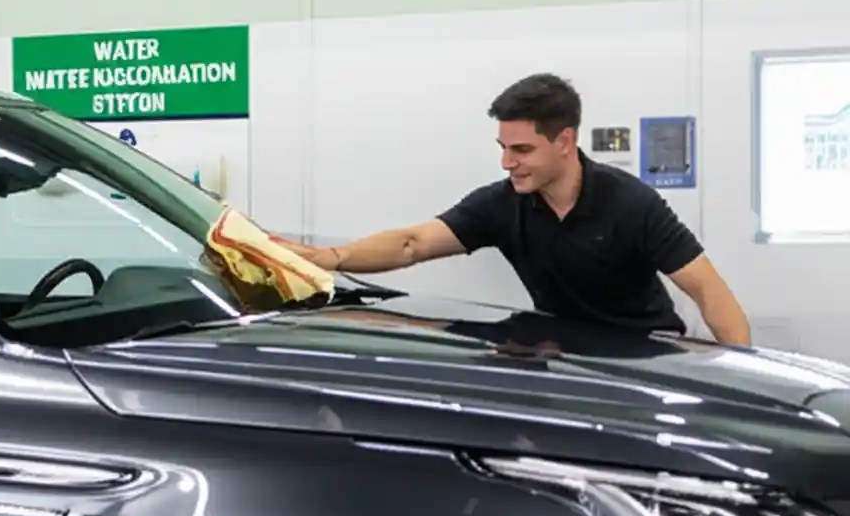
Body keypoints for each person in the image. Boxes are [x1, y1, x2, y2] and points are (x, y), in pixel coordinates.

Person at [277, 73, 751, 345]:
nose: (507, 162)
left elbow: (708, 291)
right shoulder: (503, 204)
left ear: (564, 141)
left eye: (520, 149)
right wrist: (330, 259)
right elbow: (412, 244)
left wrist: (746, 379)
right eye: (503, 147)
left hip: (646, 354)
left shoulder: (630, 202)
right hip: (561, 358)